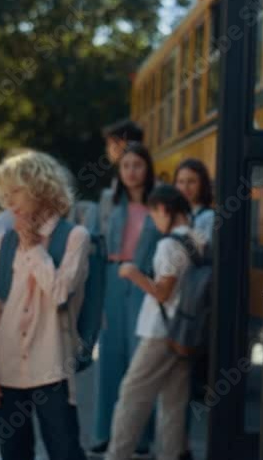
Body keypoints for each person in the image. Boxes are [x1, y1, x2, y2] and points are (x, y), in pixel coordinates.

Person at [0, 151, 91, 460]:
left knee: (64, 450)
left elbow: (60, 295)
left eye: (15, 191)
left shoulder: (74, 238)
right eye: (4, 194)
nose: (8, 202)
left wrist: (34, 250)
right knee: (13, 451)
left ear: (41, 187)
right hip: (7, 367)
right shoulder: (4, 242)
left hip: (52, 367)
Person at [107, 184, 204, 460]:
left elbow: (163, 292)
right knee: (173, 402)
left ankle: (117, 455)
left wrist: (133, 273)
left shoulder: (168, 245)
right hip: (186, 331)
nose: (154, 221)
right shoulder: (198, 239)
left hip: (161, 332)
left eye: (154, 215)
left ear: (164, 209)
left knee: (131, 395)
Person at [92, 141, 160, 455]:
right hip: (111, 277)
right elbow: (92, 247)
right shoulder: (107, 202)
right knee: (109, 358)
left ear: (147, 169)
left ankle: (140, 437)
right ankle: (105, 433)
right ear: (119, 171)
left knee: (140, 362)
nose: (132, 171)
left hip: (144, 282)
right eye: (126, 166)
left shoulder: (159, 203)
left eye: (138, 165)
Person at [173, 158, 215, 246]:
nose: (185, 187)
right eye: (180, 182)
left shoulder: (209, 217)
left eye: (191, 181)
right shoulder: (174, 215)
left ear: (202, 184)